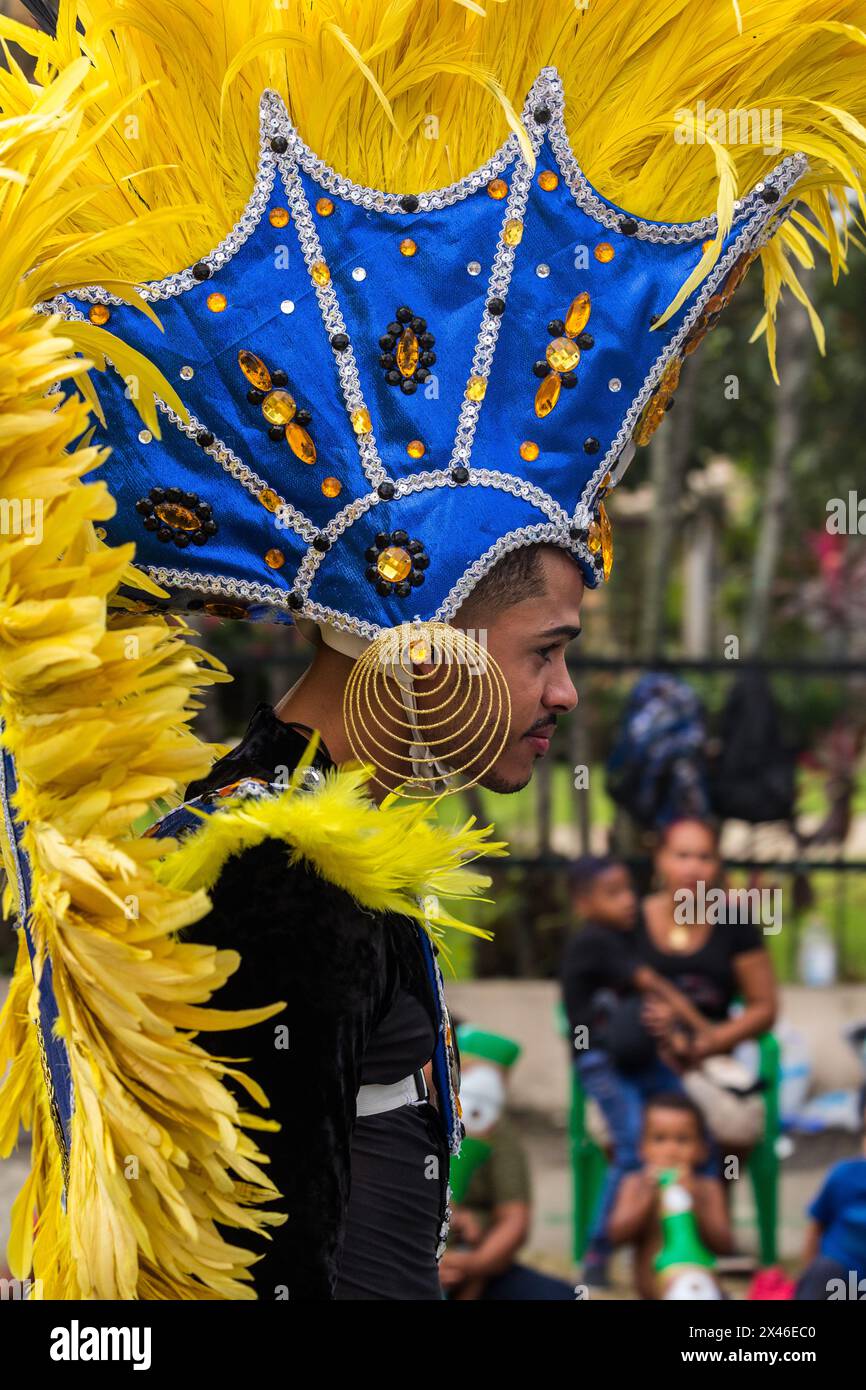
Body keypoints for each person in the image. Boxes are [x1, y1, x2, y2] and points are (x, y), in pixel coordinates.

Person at [1, 0, 862, 1303]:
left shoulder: (321, 834)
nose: (569, 692)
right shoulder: (275, 877)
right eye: (548, 652)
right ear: (423, 641)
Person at [561, 854, 713, 1285]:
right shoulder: (596, 941)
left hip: (639, 1060)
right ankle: (597, 1253)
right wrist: (702, 1029)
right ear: (583, 904)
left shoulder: (628, 936)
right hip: (603, 1063)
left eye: (629, 889)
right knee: (631, 1150)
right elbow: (656, 988)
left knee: (698, 1130)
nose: (628, 900)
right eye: (613, 894)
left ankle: (695, 1239)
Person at [635, 819, 778, 1152]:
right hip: (644, 1053)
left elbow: (764, 1008)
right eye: (682, 855)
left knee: (737, 1123)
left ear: (717, 865)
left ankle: (712, 1198)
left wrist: (706, 1044)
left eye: (704, 857)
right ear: (660, 858)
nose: (692, 868)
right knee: (625, 1124)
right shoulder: (632, 919)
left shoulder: (735, 923)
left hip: (710, 1058)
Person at [439, 1025, 574, 1300]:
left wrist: (472, 1264)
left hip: (471, 1265)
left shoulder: (499, 1136)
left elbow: (515, 1220)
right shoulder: (411, 1119)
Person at [607, 1093, 733, 1300]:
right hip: (654, 1290)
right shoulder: (635, 1184)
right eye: (659, 1139)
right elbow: (616, 1236)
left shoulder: (708, 1187)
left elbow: (725, 1244)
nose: (671, 1150)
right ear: (642, 1148)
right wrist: (646, 1198)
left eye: (682, 1140)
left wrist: (696, 1201)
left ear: (702, 1150)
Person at [794, 1086, 866, 1301]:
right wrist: (807, 1273)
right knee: (823, 1272)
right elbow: (816, 1227)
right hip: (840, 1275)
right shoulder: (844, 1175)